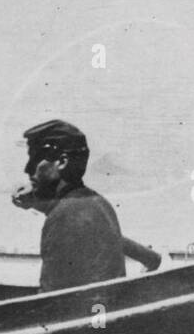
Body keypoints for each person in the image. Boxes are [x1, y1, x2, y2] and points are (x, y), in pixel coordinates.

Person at [14, 120, 125, 292]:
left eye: (35, 159)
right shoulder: (98, 203)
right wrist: (36, 198)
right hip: (103, 307)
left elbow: (51, 299)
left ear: (62, 162)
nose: (27, 169)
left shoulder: (63, 217)